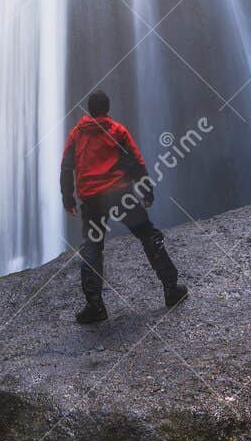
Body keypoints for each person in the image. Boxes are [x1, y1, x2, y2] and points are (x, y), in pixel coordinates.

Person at [59, 88, 187, 324]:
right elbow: (135, 161)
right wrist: (146, 190)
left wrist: (68, 198)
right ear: (107, 110)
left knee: (92, 248)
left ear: (89, 111)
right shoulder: (117, 131)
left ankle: (95, 306)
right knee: (148, 235)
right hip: (120, 195)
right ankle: (171, 289)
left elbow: (66, 167)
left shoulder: (77, 134)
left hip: (91, 199)